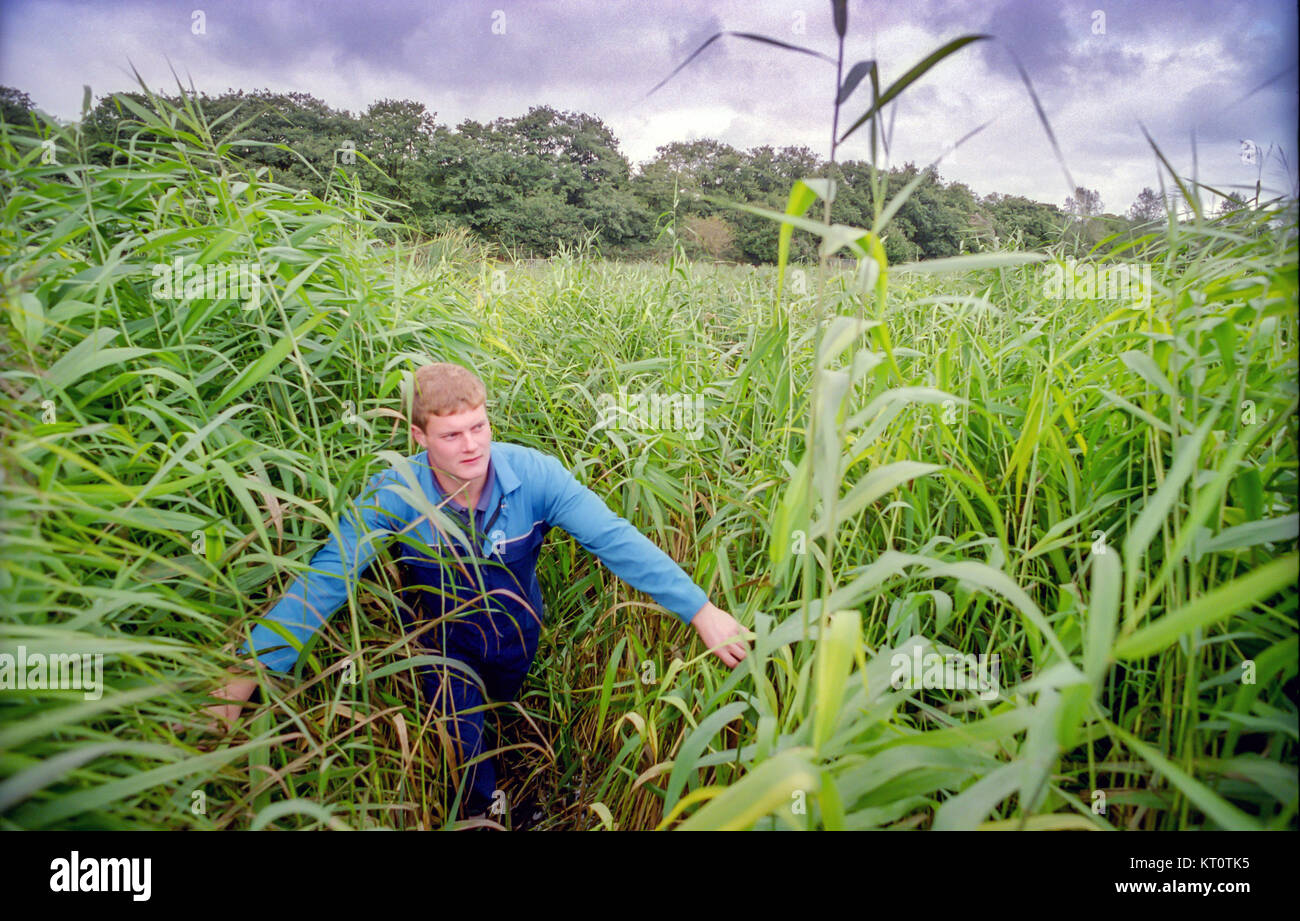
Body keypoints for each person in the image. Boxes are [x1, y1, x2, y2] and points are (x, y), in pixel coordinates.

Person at [203, 362, 750, 824]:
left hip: (518, 630)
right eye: (451, 434)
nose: (471, 447)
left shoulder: (536, 477)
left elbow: (616, 540)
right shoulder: (395, 493)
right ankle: (485, 811)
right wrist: (251, 668)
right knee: (465, 740)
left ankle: (507, 756)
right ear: (418, 437)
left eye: (479, 427)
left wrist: (700, 609)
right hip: (443, 641)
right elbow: (326, 580)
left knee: (501, 705)